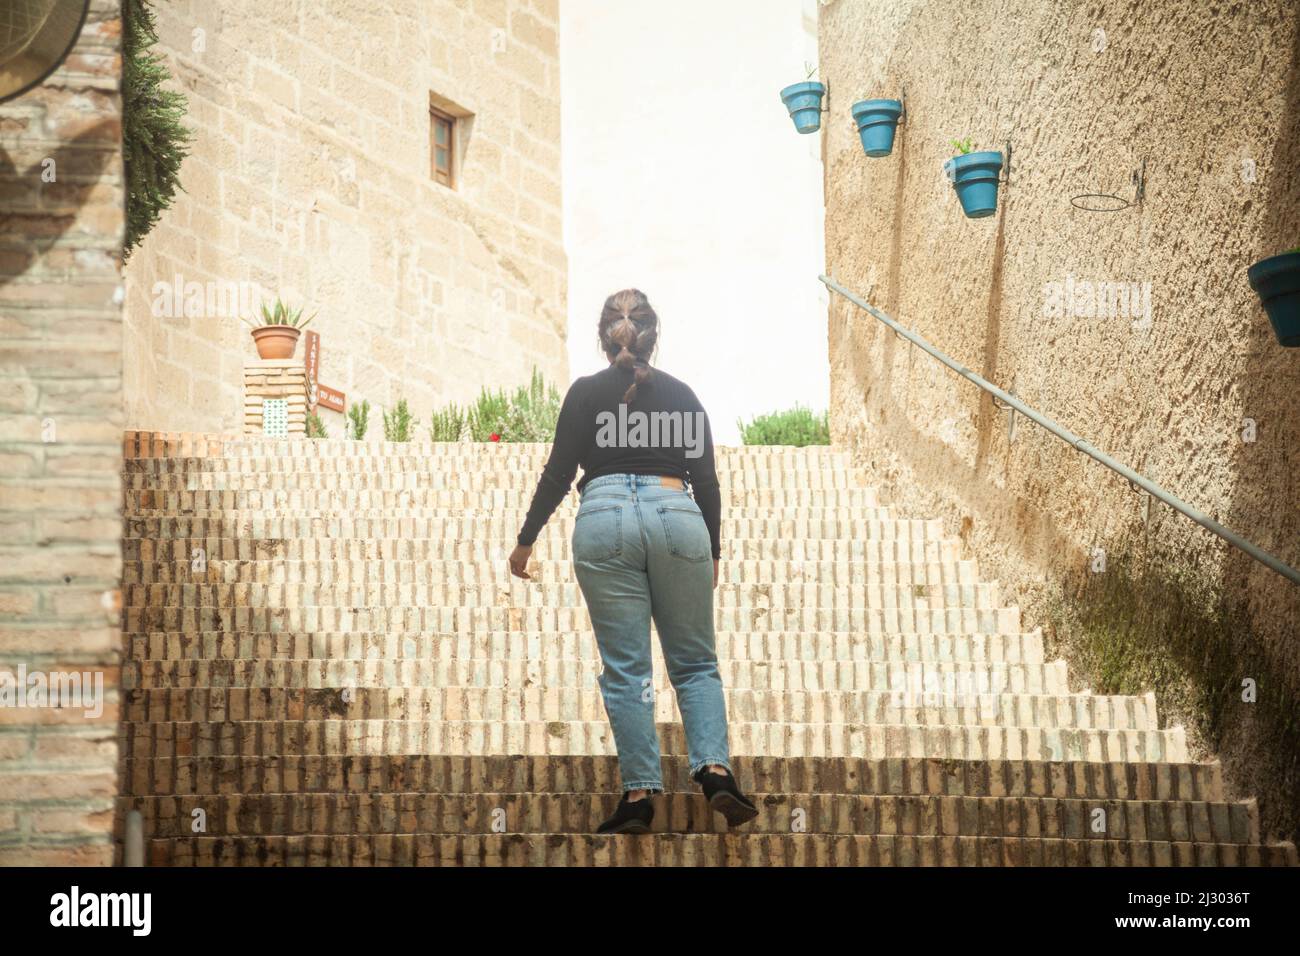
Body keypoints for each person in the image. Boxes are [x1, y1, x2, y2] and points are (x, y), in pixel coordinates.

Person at [507, 288, 759, 834]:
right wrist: (713, 549)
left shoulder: (583, 394)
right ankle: (715, 770)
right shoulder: (684, 396)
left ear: (605, 337)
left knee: (628, 669)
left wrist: (525, 541)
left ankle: (641, 795)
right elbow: (708, 483)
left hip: (604, 520)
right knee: (694, 662)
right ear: (652, 336)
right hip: (678, 515)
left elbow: (556, 474)